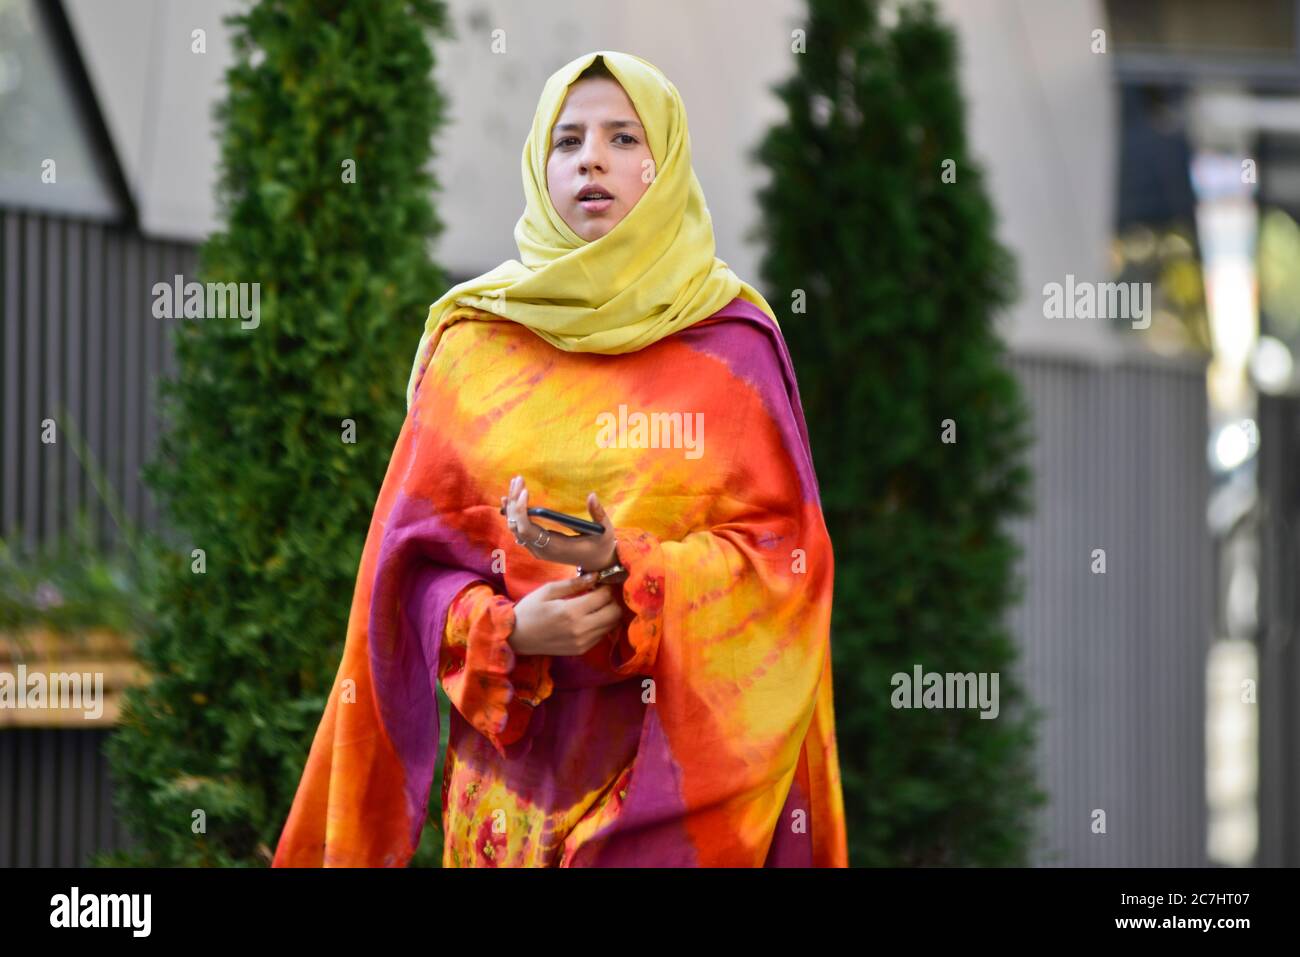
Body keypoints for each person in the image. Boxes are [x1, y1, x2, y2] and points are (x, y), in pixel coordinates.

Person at [273, 50, 847, 868]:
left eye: (622, 138)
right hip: (512, 800)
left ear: (666, 164)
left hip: (675, 803)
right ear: (540, 165)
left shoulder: (734, 347)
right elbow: (404, 581)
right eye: (568, 139)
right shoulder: (474, 346)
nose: (593, 159)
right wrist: (509, 632)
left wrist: (632, 572)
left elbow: (786, 571)